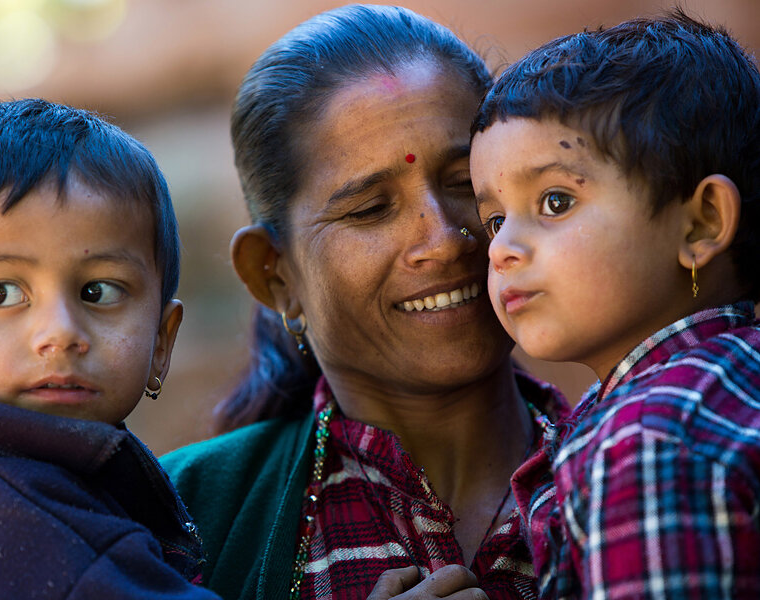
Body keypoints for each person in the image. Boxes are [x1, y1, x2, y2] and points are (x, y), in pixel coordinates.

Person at [161, 5, 569, 600]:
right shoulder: (173, 523)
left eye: (463, 183)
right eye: (370, 209)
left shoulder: (657, 460)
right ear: (275, 275)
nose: (445, 240)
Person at [0, 98, 219, 599]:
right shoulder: (39, 528)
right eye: (1, 293)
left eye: (99, 291)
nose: (61, 332)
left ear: (161, 342)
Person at [470, 11, 760, 598]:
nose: (500, 248)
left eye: (555, 202)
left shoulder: (650, 445)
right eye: (495, 219)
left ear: (701, 223)